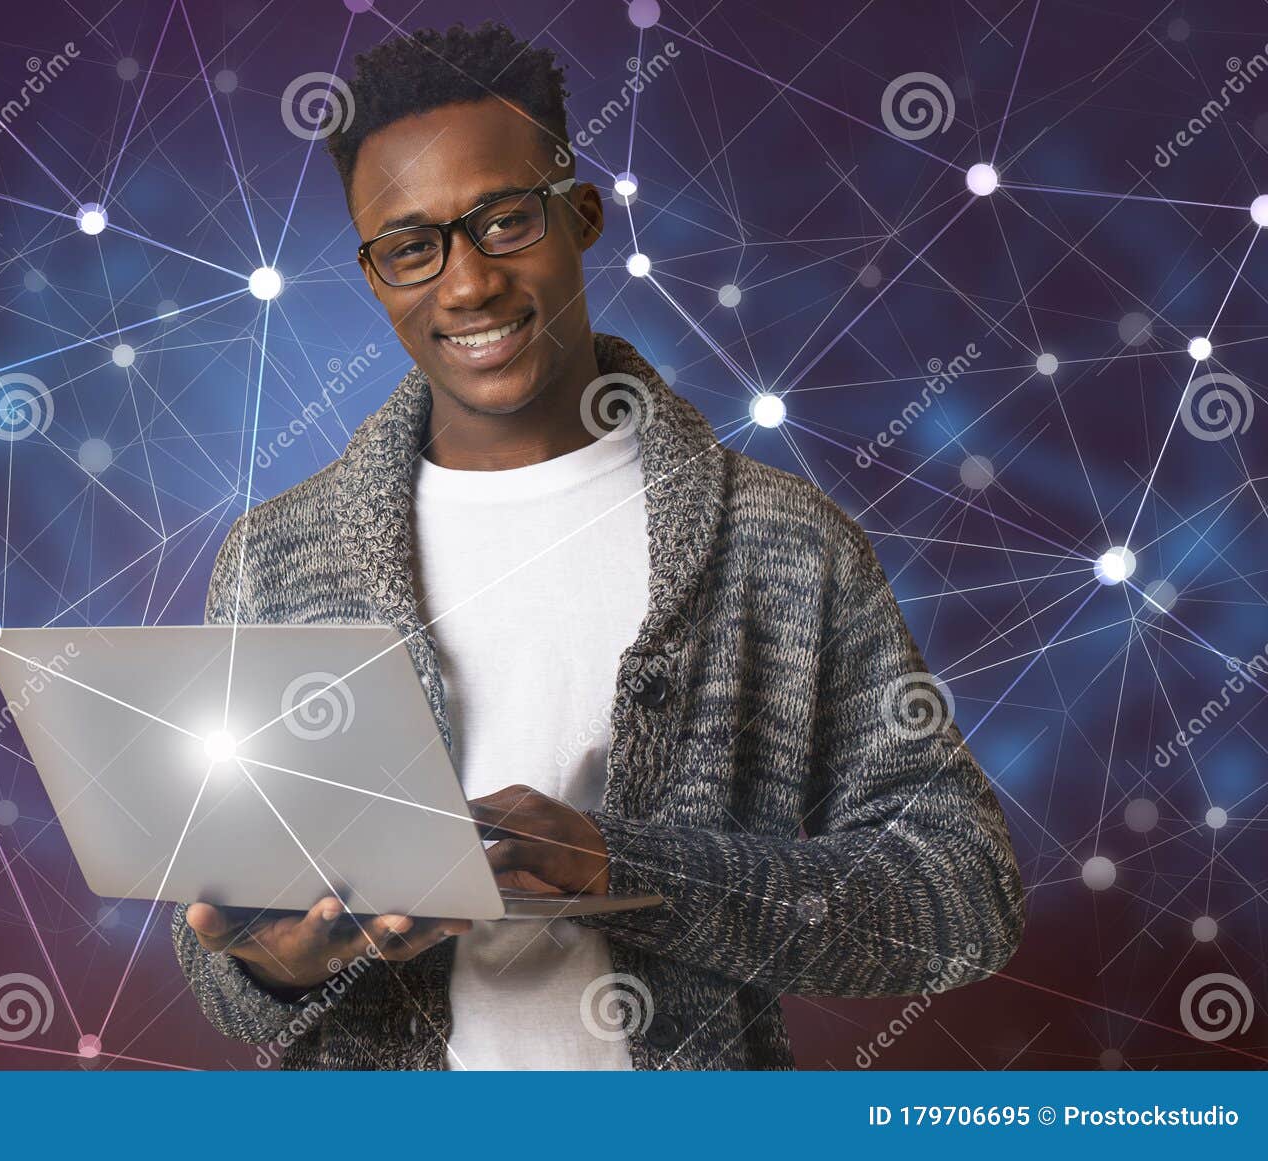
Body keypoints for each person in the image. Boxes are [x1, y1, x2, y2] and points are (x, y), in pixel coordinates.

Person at [172, 21, 1024, 1070]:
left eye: (502, 221)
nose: (467, 284)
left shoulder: (781, 548)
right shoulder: (276, 558)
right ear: (375, 275)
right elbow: (222, 952)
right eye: (410, 246)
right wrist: (280, 964)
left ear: (579, 217)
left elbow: (961, 896)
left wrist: (625, 866)